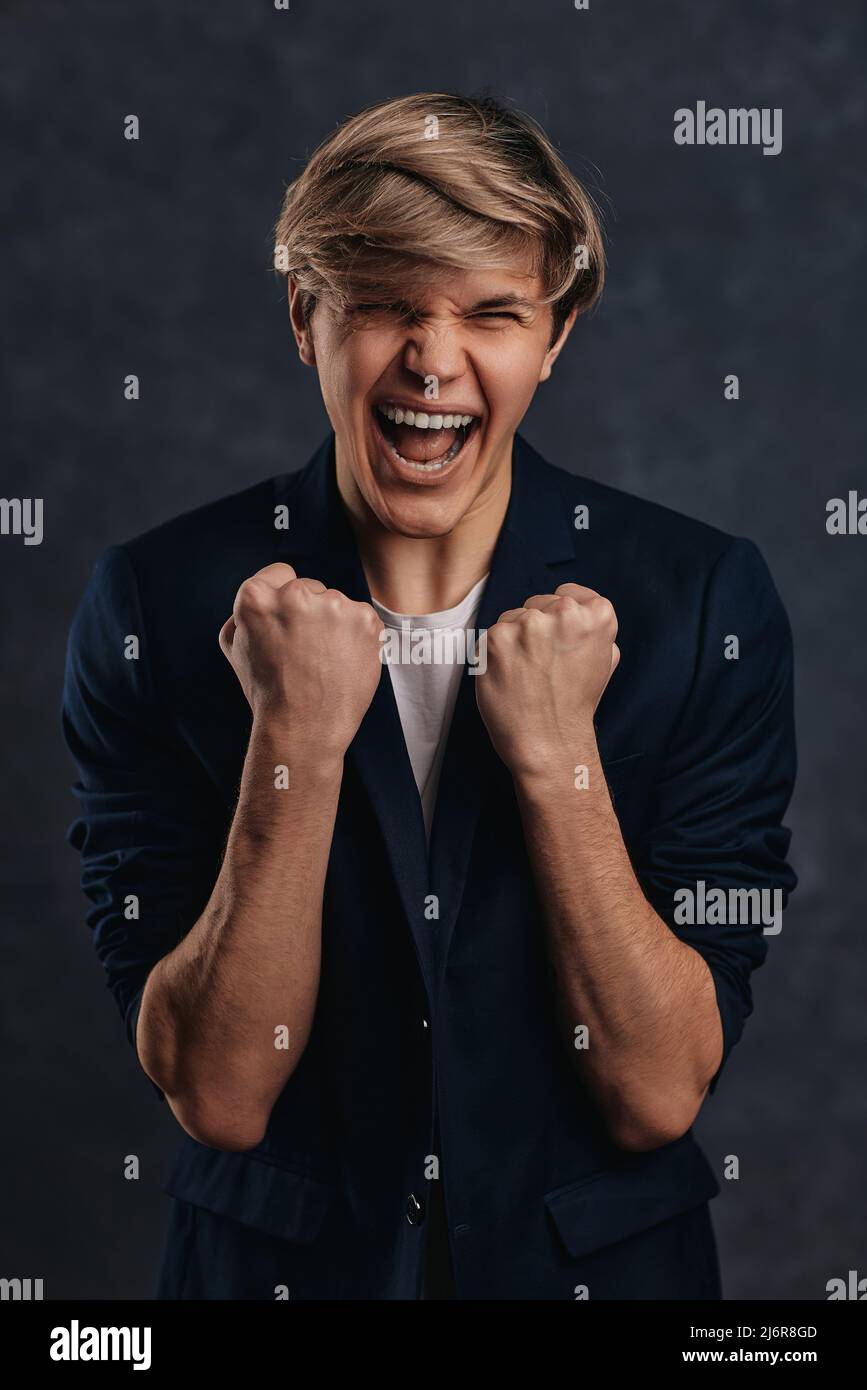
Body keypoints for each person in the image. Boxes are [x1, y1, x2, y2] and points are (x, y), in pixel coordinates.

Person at [62, 92, 796, 1300]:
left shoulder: (702, 605)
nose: (434, 360)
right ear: (307, 316)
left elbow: (657, 1090)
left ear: (554, 336)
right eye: (389, 305)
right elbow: (222, 1091)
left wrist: (560, 756)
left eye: (493, 312)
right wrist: (290, 738)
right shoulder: (156, 603)